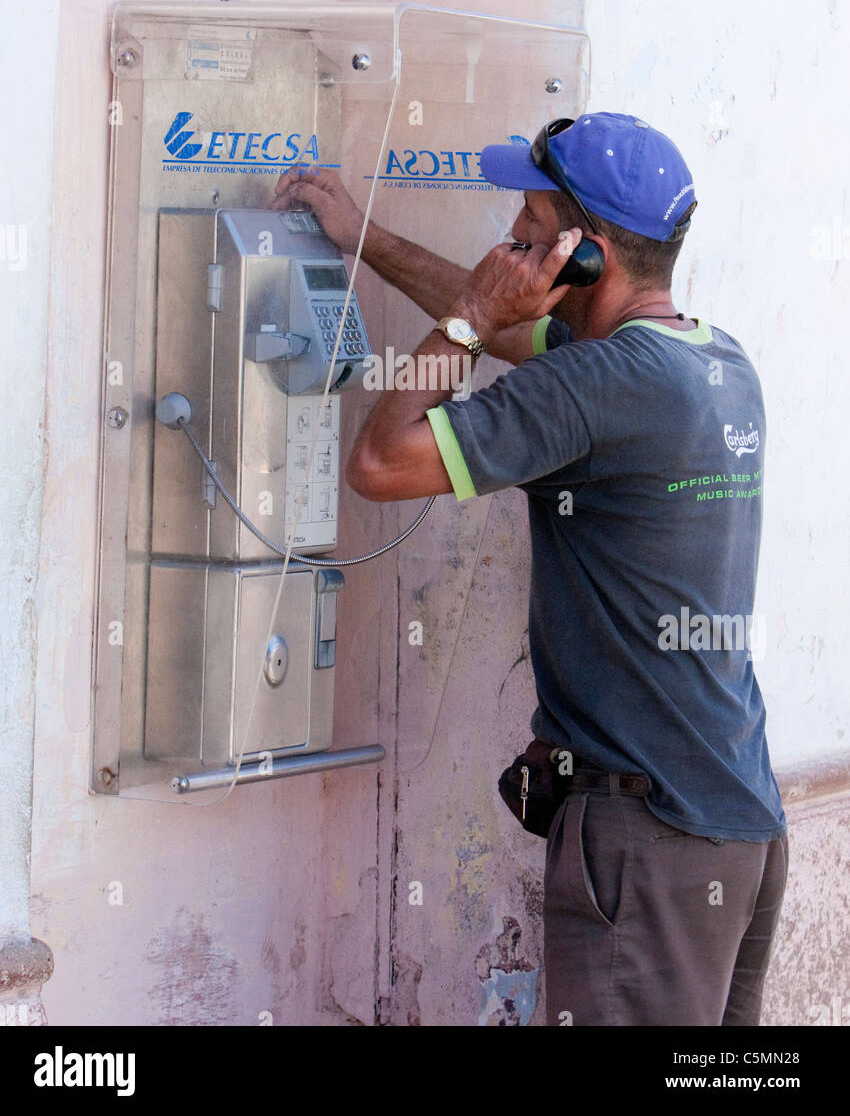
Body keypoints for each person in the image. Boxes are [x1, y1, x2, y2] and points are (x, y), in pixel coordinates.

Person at [269, 112, 788, 1027]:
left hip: (648, 840)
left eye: (531, 230)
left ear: (584, 255)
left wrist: (469, 317)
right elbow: (523, 340)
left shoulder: (596, 389)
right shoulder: (714, 363)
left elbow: (380, 463)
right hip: (738, 823)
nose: (510, 244)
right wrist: (369, 243)